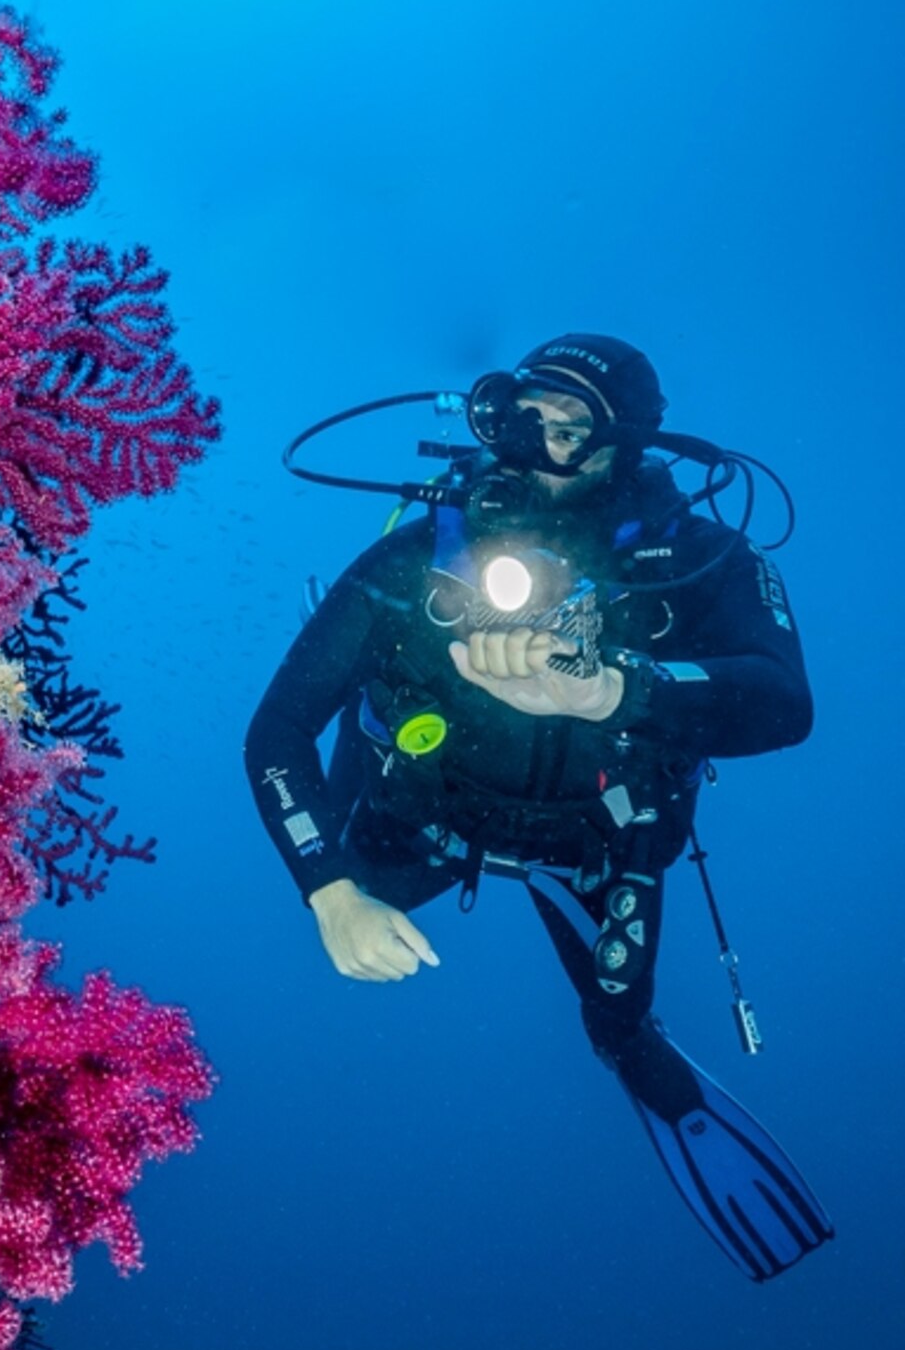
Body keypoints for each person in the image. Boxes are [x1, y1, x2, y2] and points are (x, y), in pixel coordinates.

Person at [245, 333, 830, 1278]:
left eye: (571, 428)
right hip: (424, 818)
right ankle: (372, 772)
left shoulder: (706, 560)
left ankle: (635, 1054)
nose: (537, 447)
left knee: (616, 1022)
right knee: (349, 868)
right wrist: (329, 891)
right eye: (523, 421)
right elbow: (273, 737)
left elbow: (784, 702)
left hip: (602, 836)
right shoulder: (417, 556)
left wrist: (613, 691)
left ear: (630, 440)